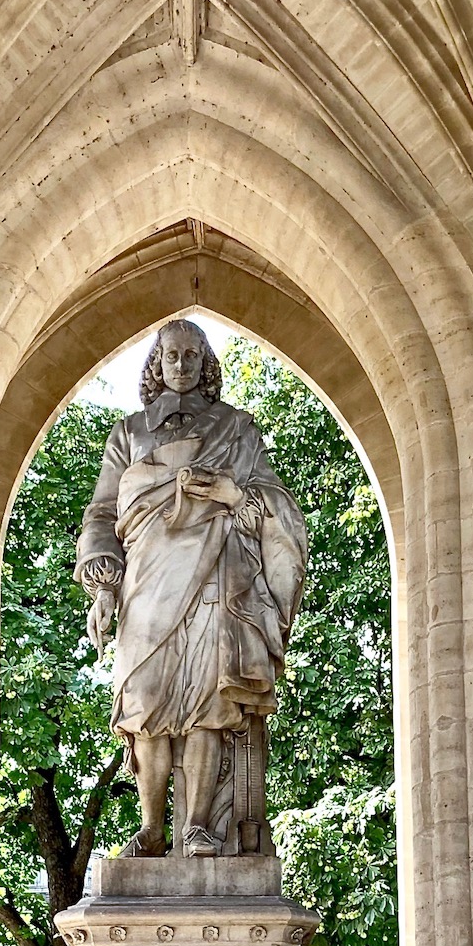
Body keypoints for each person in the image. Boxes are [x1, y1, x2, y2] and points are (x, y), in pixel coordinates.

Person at [75, 320, 307, 856]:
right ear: (157, 364)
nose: (180, 364)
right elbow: (103, 515)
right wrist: (104, 582)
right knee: (146, 704)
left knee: (208, 703)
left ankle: (199, 824)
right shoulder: (129, 434)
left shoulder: (237, 429)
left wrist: (231, 492)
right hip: (146, 587)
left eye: (190, 355)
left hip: (215, 582)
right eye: (171, 355)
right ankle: (153, 828)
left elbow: (275, 506)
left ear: (206, 363)